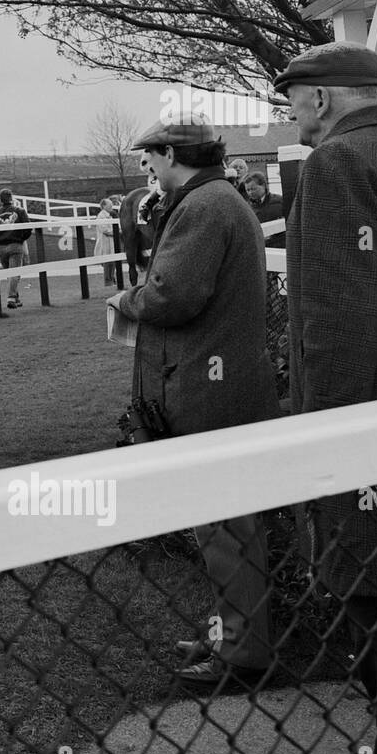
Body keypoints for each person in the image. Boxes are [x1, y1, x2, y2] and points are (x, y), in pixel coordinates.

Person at [276, 41, 377, 754]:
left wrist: (326, 439)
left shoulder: (336, 169)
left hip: (370, 444)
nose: (290, 113)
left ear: (322, 100)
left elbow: (338, 321)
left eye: (295, 99)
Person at [109, 118, 279, 692]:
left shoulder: (205, 206)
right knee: (225, 529)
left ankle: (244, 657)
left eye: (149, 157)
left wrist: (126, 298)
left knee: (228, 529)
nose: (146, 167)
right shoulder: (210, 198)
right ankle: (227, 632)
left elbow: (175, 295)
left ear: (172, 153)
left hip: (213, 394)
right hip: (219, 385)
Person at [0, 190, 32, 308]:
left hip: (0, 247)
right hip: (15, 245)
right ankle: (11, 298)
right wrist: (21, 239)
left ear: (0, 199)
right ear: (11, 198)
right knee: (15, 273)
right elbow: (28, 228)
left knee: (10, 274)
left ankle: (16, 299)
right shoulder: (20, 211)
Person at [243, 171, 284, 249]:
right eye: (248, 190)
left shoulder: (280, 202)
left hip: (279, 247)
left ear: (264, 186)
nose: (250, 193)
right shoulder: (246, 207)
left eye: (253, 189)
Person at [93, 196, 117, 285]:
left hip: (111, 243)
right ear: (103, 206)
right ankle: (108, 281)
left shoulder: (110, 216)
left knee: (113, 262)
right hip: (105, 243)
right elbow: (106, 231)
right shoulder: (101, 217)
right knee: (107, 262)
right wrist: (118, 233)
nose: (111, 206)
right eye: (109, 204)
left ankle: (112, 279)